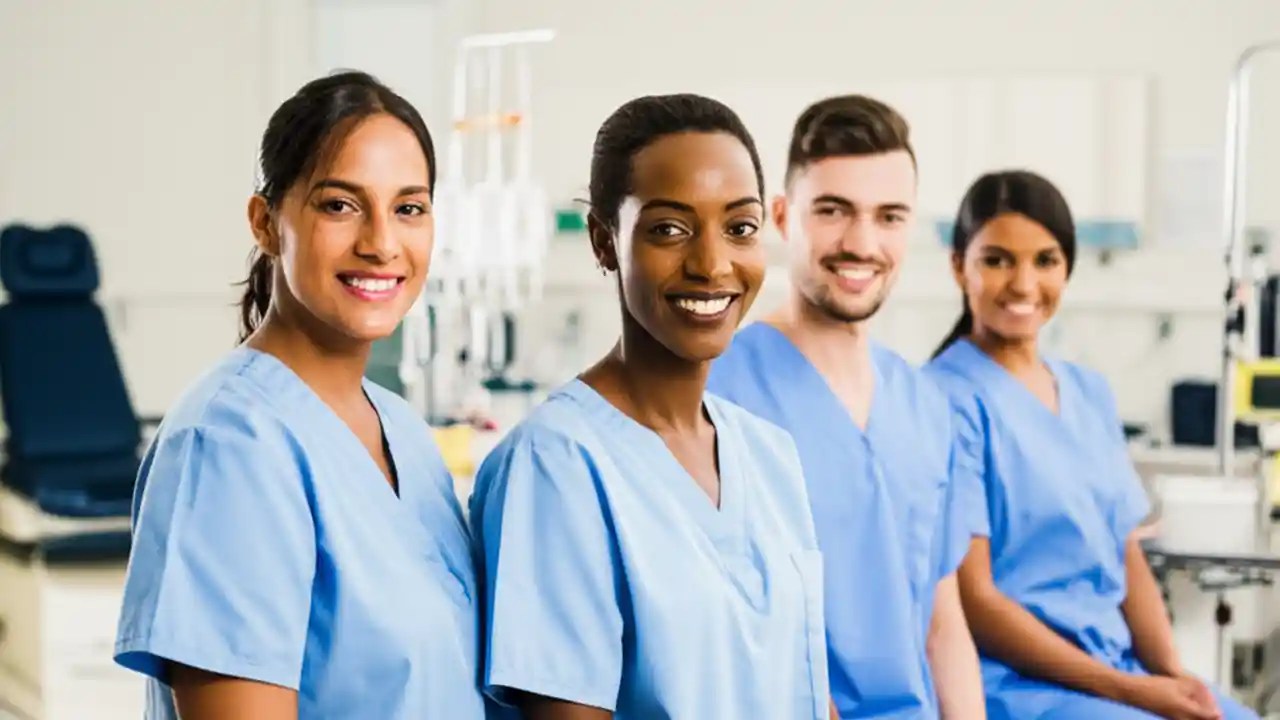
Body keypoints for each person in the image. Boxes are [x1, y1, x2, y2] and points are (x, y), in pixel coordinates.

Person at [112, 71, 485, 720]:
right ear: (265, 222)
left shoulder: (402, 430)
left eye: (409, 208)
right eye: (339, 205)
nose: (381, 244)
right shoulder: (230, 445)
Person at [469, 93, 833, 720]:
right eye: (669, 228)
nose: (712, 263)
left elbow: (804, 691)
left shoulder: (769, 454)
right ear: (605, 241)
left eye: (739, 228)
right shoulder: (556, 466)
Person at [925, 170, 1259, 720]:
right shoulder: (943, 399)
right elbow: (976, 600)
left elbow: (1127, 556)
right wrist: (1132, 692)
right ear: (959, 265)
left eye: (1046, 260)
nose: (1024, 284)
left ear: (1068, 269)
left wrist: (1174, 677)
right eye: (997, 259)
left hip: (1117, 669)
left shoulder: (1088, 391)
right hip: (1020, 685)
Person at [706, 94, 987, 719]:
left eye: (890, 217)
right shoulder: (717, 394)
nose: (862, 243)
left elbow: (943, 626)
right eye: (833, 211)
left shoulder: (927, 405)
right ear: (782, 216)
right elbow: (724, 631)